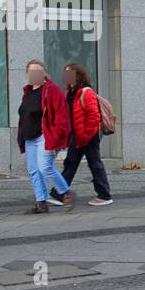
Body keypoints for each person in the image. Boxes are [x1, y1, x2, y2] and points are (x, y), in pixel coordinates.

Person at [17, 59, 73, 214]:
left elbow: (62, 117)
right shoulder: (27, 91)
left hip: (45, 137)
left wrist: (57, 137)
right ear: (27, 74)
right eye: (32, 71)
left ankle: (66, 192)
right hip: (30, 138)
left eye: (38, 71)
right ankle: (41, 203)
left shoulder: (51, 90)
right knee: (34, 171)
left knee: (45, 168)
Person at [56, 62, 112, 206]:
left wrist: (86, 134)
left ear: (79, 76)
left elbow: (94, 116)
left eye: (70, 73)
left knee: (95, 164)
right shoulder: (69, 92)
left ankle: (105, 195)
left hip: (89, 135)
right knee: (71, 162)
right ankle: (58, 193)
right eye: (65, 73)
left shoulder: (86, 92)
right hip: (77, 135)